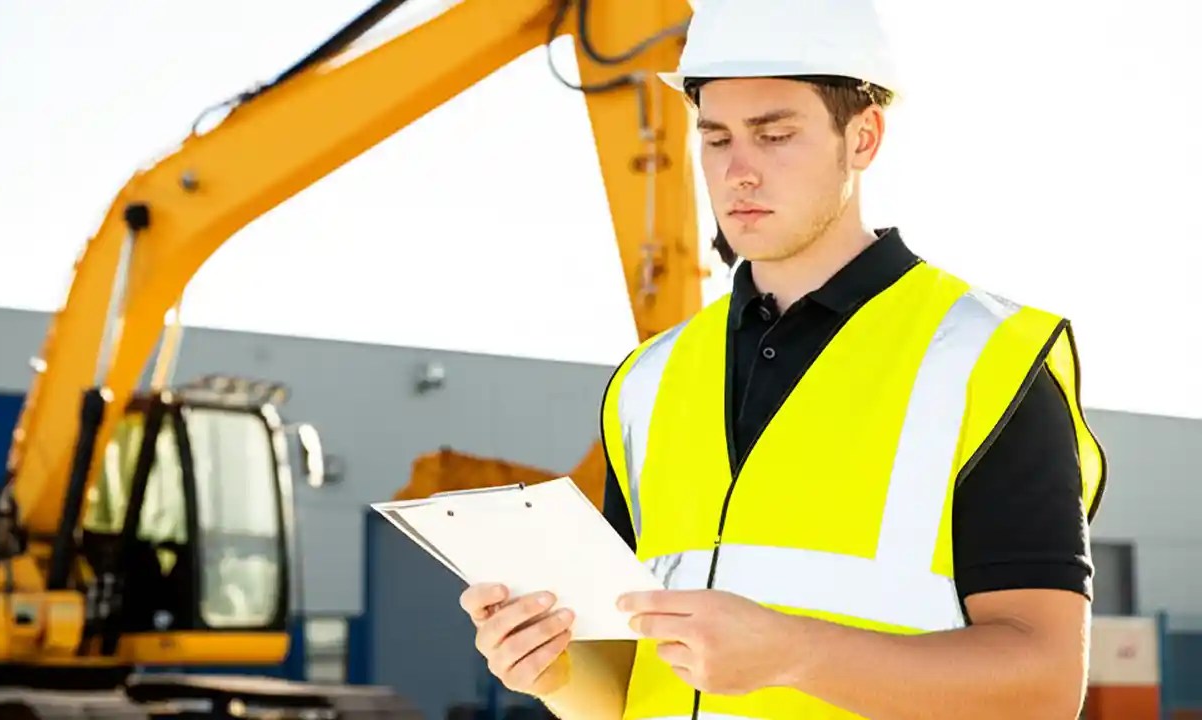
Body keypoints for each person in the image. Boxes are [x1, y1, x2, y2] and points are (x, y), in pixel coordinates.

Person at [459, 0, 1107, 717]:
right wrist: (552, 673)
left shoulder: (990, 359)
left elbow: (1044, 687)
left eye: (775, 136)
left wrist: (795, 653)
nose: (738, 172)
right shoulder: (646, 381)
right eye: (716, 138)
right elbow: (630, 690)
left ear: (863, 138)